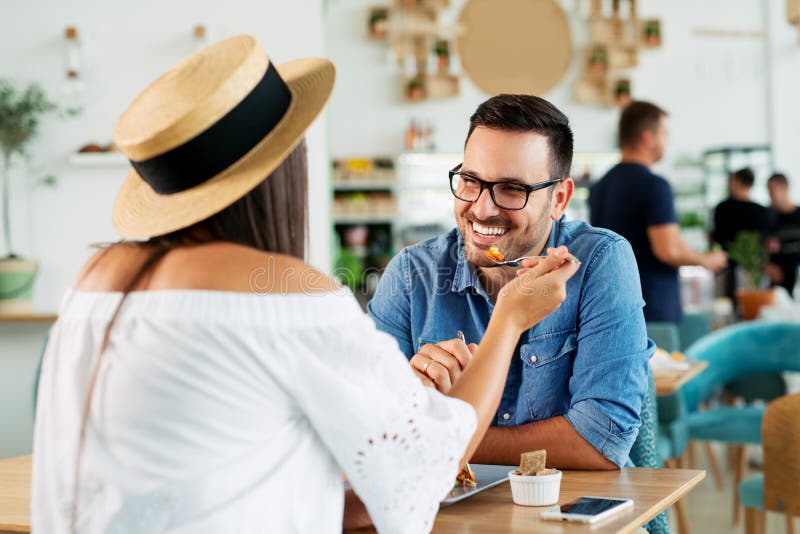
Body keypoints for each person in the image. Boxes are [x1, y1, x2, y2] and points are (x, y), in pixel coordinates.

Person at [31, 37, 580, 533]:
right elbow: (429, 462)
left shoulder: (93, 283)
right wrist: (509, 319)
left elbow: (200, 486)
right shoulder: (281, 295)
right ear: (282, 172)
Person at [368, 94, 653, 470]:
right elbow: (367, 430)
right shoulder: (410, 274)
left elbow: (600, 441)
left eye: (512, 189)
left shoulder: (600, 262)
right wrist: (406, 404)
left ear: (559, 199)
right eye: (471, 181)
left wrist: (437, 434)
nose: (482, 208)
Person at [590, 101, 727, 324]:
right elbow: (668, 250)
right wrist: (705, 260)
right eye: (664, 133)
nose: (667, 141)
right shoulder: (654, 185)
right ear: (647, 138)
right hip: (651, 307)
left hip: (610, 306)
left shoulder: (601, 186)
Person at [712, 167, 773, 299]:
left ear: (736, 182)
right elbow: (768, 244)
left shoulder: (723, 208)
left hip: (727, 268)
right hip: (757, 271)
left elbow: (716, 239)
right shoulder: (763, 211)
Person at [766, 172, 800, 296]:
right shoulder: (769, 218)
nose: (770, 195)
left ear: (785, 187)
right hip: (778, 285)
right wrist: (767, 267)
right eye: (768, 191)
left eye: (772, 190)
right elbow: (761, 249)